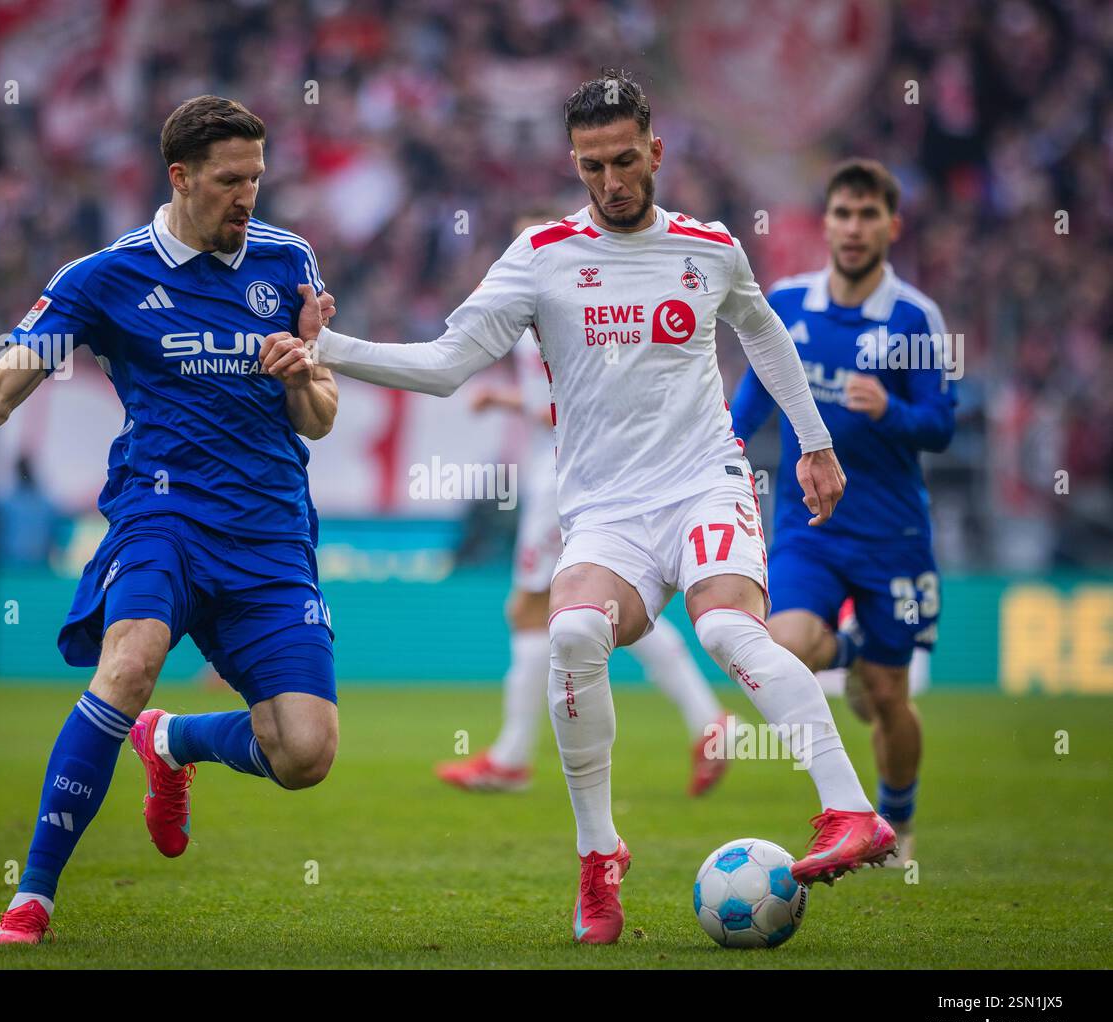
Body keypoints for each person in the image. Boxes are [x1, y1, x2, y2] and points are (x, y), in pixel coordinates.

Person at [264, 71, 894, 944]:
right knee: (570, 633)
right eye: (593, 166)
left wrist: (814, 441)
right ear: (576, 163)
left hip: (706, 479)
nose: (612, 182)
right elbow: (448, 364)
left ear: (656, 151)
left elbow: (761, 330)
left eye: (626, 160)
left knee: (726, 632)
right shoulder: (542, 257)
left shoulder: (711, 248)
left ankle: (850, 812)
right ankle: (599, 858)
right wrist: (325, 344)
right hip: (604, 507)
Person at [0, 95, 340, 945]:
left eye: (257, 178)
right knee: (128, 664)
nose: (248, 197)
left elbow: (321, 416)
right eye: (230, 181)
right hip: (165, 516)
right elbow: (3, 385)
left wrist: (301, 371)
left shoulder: (289, 259)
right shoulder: (103, 278)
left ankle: (174, 743)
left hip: (271, 534)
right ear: (180, 177)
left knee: (306, 755)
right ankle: (32, 897)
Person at [438, 216, 729, 796]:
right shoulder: (542, 307)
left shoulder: (563, 310)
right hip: (577, 475)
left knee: (535, 610)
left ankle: (514, 757)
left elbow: (569, 410)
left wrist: (506, 402)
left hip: (567, 480)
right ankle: (708, 721)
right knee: (602, 609)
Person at [731, 159, 956, 865]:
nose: (853, 228)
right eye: (842, 214)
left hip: (893, 537)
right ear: (825, 223)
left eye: (867, 215)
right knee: (781, 645)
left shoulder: (917, 318)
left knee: (890, 696)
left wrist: (891, 411)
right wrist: (727, 451)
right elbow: (752, 401)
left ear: (892, 225)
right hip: (811, 529)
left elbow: (943, 425)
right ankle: (847, 651)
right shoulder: (789, 306)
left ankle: (897, 822)